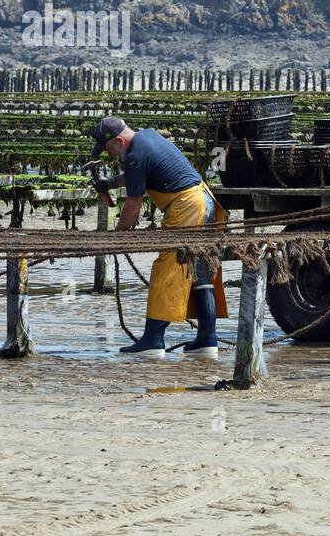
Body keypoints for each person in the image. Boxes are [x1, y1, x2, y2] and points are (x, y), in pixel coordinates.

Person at [89, 116, 228, 357]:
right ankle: (207, 340)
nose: (108, 153)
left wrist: (117, 237)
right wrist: (109, 183)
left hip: (186, 206)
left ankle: (153, 341)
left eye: (108, 147)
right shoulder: (148, 136)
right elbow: (137, 174)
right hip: (204, 199)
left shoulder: (134, 156)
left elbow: (133, 205)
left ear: (119, 141)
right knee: (199, 271)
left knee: (168, 268)